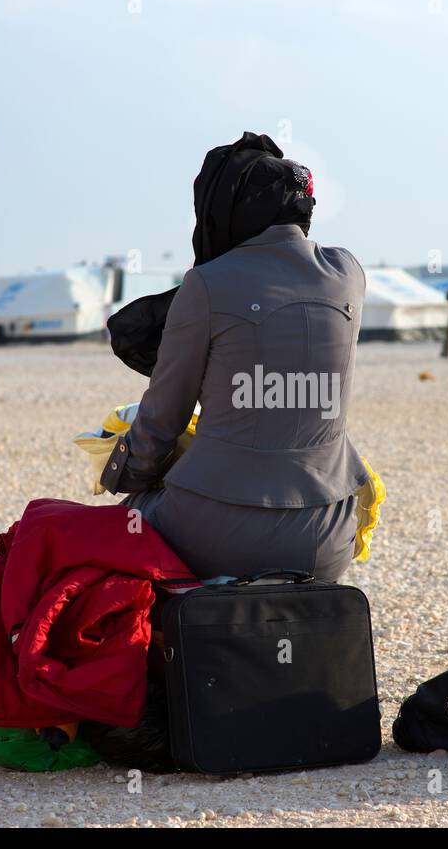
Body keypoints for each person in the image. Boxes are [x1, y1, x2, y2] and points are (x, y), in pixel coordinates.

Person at [100, 132, 367, 583]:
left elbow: (163, 417)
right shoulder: (347, 274)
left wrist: (124, 474)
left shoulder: (205, 284)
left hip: (216, 537)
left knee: (121, 530)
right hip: (328, 538)